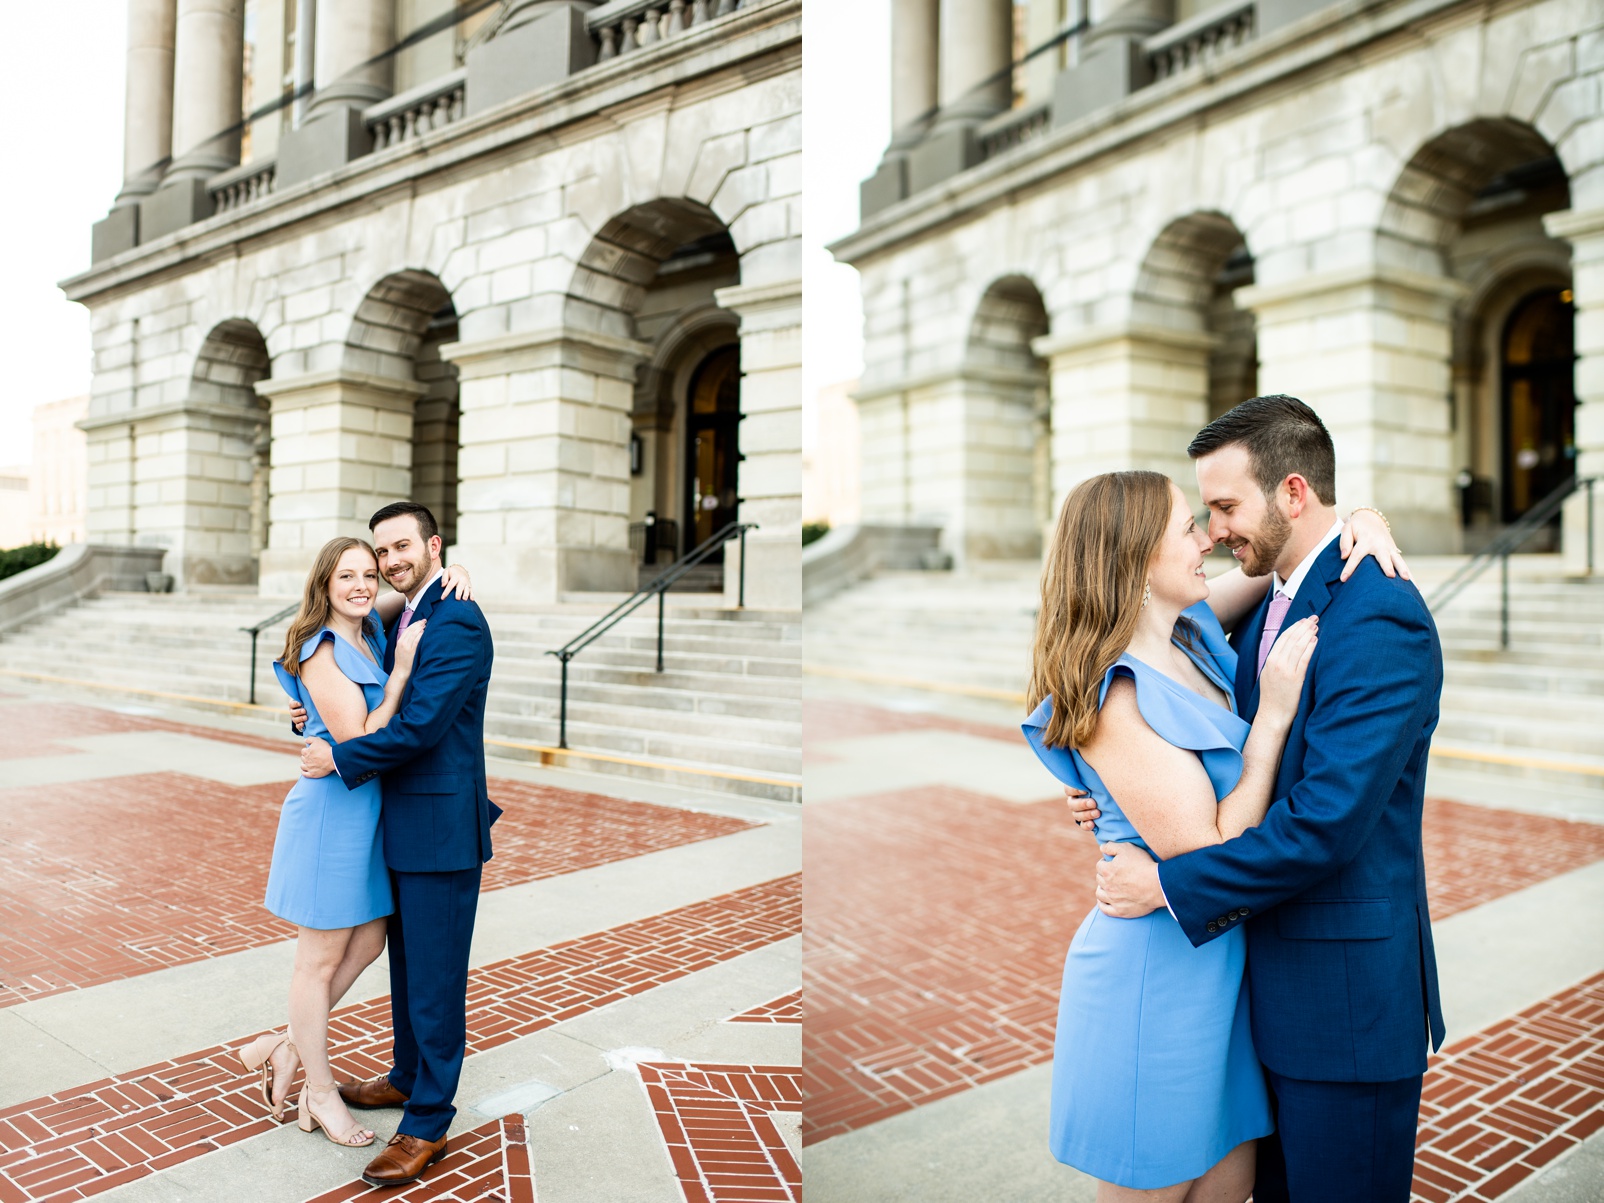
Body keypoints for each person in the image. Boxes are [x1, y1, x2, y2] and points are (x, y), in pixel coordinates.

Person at [1070, 395, 1446, 1203]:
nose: (1213, 530)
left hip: (1340, 1009)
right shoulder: (1258, 608)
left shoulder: (1377, 616)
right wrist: (1113, 796)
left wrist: (1166, 884)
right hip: (1251, 991)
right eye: (1199, 514)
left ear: (1295, 493)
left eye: (1226, 506)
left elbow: (1324, 827)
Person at [235, 537, 470, 1147]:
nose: (363, 584)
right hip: (330, 814)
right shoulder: (324, 648)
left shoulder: (371, 627)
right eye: (348, 576)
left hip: (369, 814)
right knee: (316, 961)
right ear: (324, 584)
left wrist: (456, 569)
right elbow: (361, 733)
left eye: (370, 574)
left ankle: (286, 1044)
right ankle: (318, 1091)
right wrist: (401, 676)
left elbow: (418, 595)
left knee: (368, 939)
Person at [297, 501, 499, 1189]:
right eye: (384, 551)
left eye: (403, 546)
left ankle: (427, 1120)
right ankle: (406, 1074)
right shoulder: (405, 613)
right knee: (409, 969)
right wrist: (306, 707)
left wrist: (338, 757)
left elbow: (417, 728)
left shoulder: (458, 621)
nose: (390, 561)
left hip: (440, 830)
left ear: (433, 545)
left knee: (437, 982)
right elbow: (333, 643)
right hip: (402, 825)